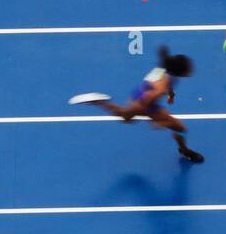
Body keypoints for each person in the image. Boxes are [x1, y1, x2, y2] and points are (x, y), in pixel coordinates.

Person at [69, 46, 204, 162]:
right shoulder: (161, 86)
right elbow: (151, 96)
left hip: (138, 94)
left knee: (126, 118)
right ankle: (185, 151)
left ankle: (99, 101)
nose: (191, 71)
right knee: (180, 128)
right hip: (143, 103)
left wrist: (171, 95)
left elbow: (164, 84)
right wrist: (158, 119)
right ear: (180, 72)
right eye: (188, 69)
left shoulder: (164, 69)